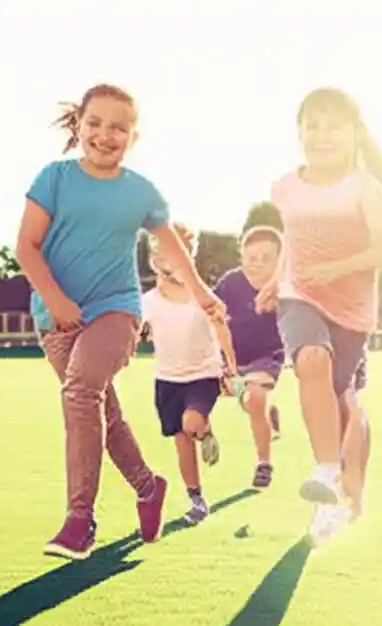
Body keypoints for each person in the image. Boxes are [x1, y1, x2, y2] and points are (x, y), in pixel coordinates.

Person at [15, 83, 226, 560]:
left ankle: (79, 519)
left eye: (119, 128)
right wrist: (58, 300)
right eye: (95, 123)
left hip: (115, 309)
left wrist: (202, 292)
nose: (105, 135)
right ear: (79, 125)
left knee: (80, 391)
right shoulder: (53, 178)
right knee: (101, 411)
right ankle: (149, 487)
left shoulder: (140, 192)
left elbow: (171, 245)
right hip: (55, 318)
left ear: (134, 135)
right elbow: (25, 247)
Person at [257, 87, 382, 538]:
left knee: (343, 401)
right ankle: (325, 471)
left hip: (352, 310)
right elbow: (292, 245)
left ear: (354, 134)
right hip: (298, 295)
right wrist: (274, 280)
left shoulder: (364, 187)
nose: (322, 135)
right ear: (299, 132)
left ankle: (350, 487)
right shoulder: (285, 187)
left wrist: (336, 268)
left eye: (333, 125)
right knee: (310, 362)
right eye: (312, 125)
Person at [142, 224, 238, 525]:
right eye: (156, 252)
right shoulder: (148, 301)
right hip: (167, 380)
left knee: (191, 422)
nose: (161, 258)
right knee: (182, 442)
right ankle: (196, 500)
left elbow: (221, 327)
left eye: (170, 252)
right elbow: (132, 332)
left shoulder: (202, 296)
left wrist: (231, 368)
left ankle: (204, 429)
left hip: (203, 375)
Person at [214, 223, 286, 488]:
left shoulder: (284, 288)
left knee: (254, 398)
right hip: (232, 356)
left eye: (266, 259)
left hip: (266, 356)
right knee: (240, 398)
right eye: (251, 258)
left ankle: (264, 464)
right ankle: (268, 414)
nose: (257, 264)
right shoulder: (231, 282)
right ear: (241, 257)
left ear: (280, 262)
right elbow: (211, 310)